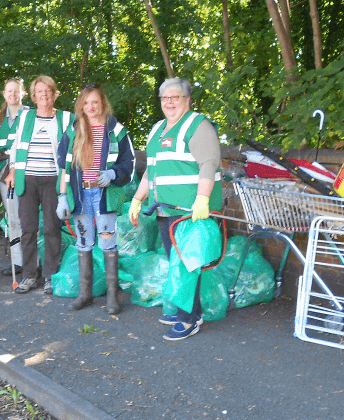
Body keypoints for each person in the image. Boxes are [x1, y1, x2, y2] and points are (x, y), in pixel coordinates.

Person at [129, 78, 224, 340]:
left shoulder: (198, 126)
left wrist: (202, 199)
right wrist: (138, 199)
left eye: (175, 97)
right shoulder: (158, 129)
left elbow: (209, 164)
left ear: (187, 100)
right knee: (179, 263)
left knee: (186, 265)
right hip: (165, 210)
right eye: (165, 98)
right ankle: (191, 311)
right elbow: (152, 168)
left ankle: (188, 319)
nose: (169, 102)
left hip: (189, 211)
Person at [56, 85, 134, 314]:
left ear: (103, 103)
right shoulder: (72, 131)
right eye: (86, 103)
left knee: (108, 242)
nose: (90, 107)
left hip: (105, 196)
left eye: (95, 102)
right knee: (83, 242)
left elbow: (128, 165)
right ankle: (85, 294)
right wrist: (62, 196)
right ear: (81, 105)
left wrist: (112, 174)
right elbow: (63, 168)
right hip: (81, 196)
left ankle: (112, 296)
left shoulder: (117, 131)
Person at [4, 75, 73, 295]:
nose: (44, 95)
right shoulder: (25, 118)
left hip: (54, 180)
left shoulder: (65, 118)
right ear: (34, 96)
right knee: (29, 229)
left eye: (48, 91)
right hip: (28, 180)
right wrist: (13, 168)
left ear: (54, 94)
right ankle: (29, 275)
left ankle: (50, 276)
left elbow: (72, 148)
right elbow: (15, 146)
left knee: (52, 228)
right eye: (39, 91)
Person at [0, 78, 28, 277]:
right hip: (4, 174)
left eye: (17, 91)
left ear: (23, 93)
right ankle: (18, 261)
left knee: (29, 216)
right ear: (4, 94)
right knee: (12, 218)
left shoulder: (30, 115)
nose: (13, 94)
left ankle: (34, 260)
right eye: (9, 91)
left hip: (25, 172)